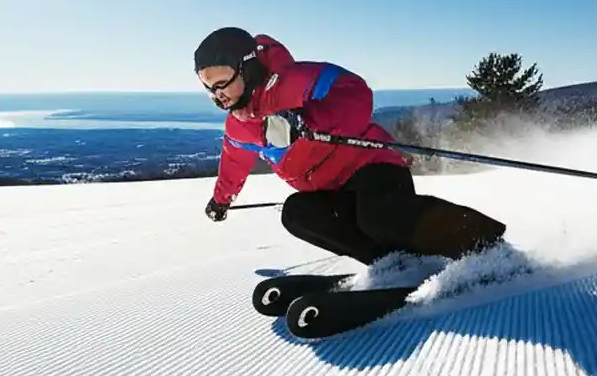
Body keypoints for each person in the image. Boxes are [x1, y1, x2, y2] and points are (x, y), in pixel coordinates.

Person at [194, 26, 506, 265]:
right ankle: (393, 264)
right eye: (208, 86)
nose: (216, 94)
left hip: (371, 167)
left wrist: (310, 124)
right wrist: (221, 200)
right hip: (328, 189)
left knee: (379, 218)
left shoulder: (292, 80)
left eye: (222, 81)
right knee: (297, 214)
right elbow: (234, 162)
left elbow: (354, 91)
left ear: (247, 68)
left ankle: (486, 246)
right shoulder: (238, 124)